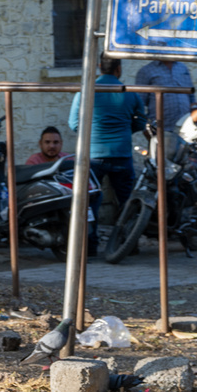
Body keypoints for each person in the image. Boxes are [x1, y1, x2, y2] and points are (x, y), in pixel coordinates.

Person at [68, 57, 146, 250]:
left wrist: (92, 134)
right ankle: (129, 245)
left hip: (92, 155)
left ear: (99, 66)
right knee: (127, 201)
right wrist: (125, 129)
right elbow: (141, 122)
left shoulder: (85, 92)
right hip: (121, 154)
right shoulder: (130, 93)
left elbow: (74, 124)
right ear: (119, 68)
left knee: (90, 201)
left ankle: (89, 246)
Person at [136, 59, 196, 153]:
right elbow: (139, 105)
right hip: (161, 132)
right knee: (162, 164)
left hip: (185, 132)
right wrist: (147, 131)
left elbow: (191, 97)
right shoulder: (146, 71)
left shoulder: (182, 68)